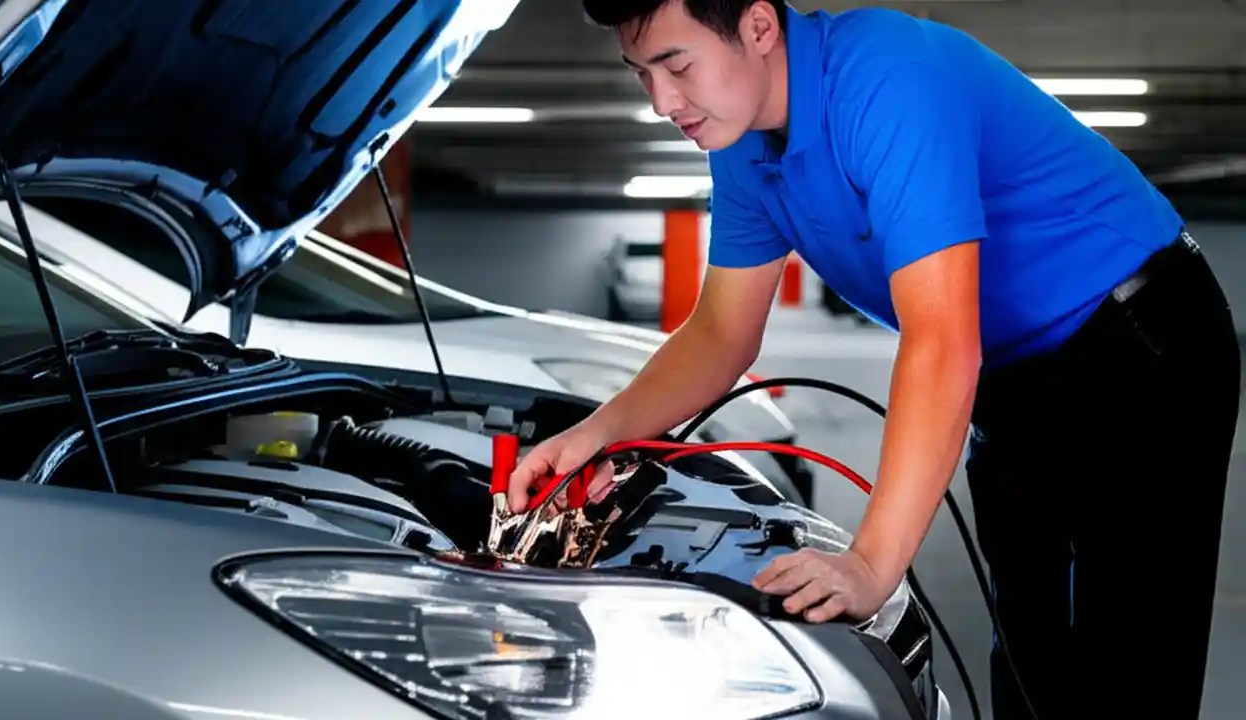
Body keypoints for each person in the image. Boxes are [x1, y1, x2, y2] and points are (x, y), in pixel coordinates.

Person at [507, 1, 1240, 718]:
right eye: (641, 74)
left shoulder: (889, 80)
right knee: (1029, 660)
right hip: (1016, 372)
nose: (663, 101)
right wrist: (593, 435)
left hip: (1138, 338)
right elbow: (721, 334)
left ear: (759, 27)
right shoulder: (740, 144)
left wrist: (870, 566)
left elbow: (943, 342)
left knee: (1127, 666)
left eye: (676, 64)